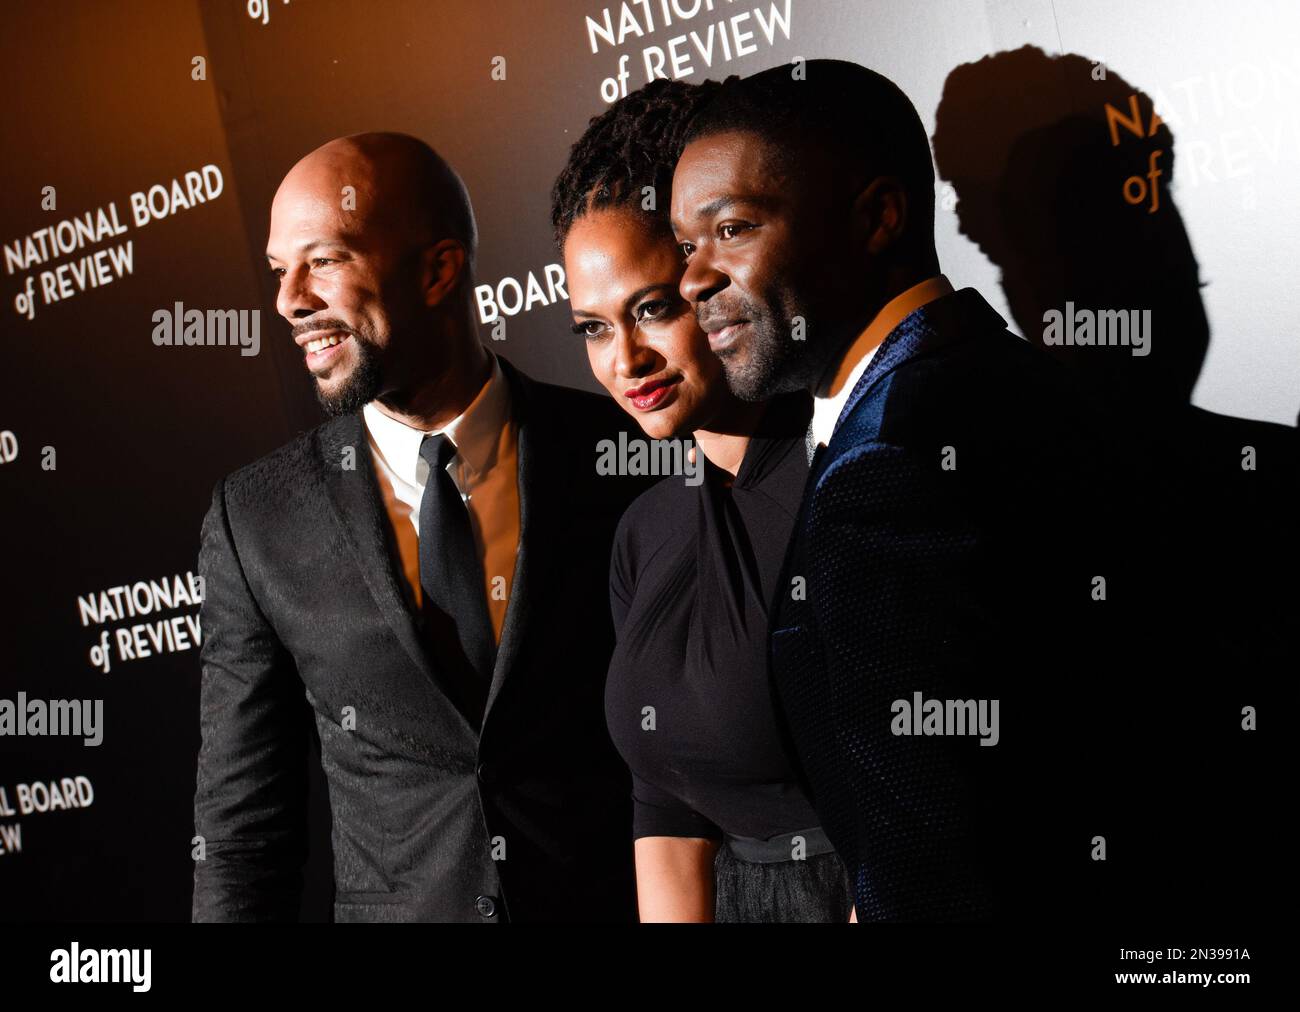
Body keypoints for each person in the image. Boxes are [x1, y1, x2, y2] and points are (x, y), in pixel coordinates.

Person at [671, 61, 1131, 920]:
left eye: (732, 229)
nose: (695, 278)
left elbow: (931, 860)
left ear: (877, 217)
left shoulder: (889, 460)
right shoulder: (1009, 379)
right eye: (687, 246)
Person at [192, 132, 649, 922]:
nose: (289, 301)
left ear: (439, 270)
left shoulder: (619, 457)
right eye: (279, 271)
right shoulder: (256, 518)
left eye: (325, 260)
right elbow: (242, 828)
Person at [552, 79, 854, 923]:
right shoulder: (644, 532)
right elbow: (667, 806)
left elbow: (914, 807)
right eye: (593, 328)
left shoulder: (850, 483)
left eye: (651, 310)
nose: (625, 361)